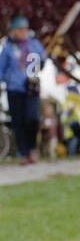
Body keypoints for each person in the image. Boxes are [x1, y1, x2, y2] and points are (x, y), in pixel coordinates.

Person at [0, 16, 46, 163]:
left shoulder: (35, 45)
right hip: (14, 88)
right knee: (18, 121)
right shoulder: (8, 48)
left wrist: (43, 60)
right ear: (14, 31)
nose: (23, 32)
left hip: (31, 88)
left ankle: (31, 148)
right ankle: (23, 153)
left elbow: (40, 65)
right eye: (20, 29)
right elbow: (1, 69)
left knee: (33, 118)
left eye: (25, 29)